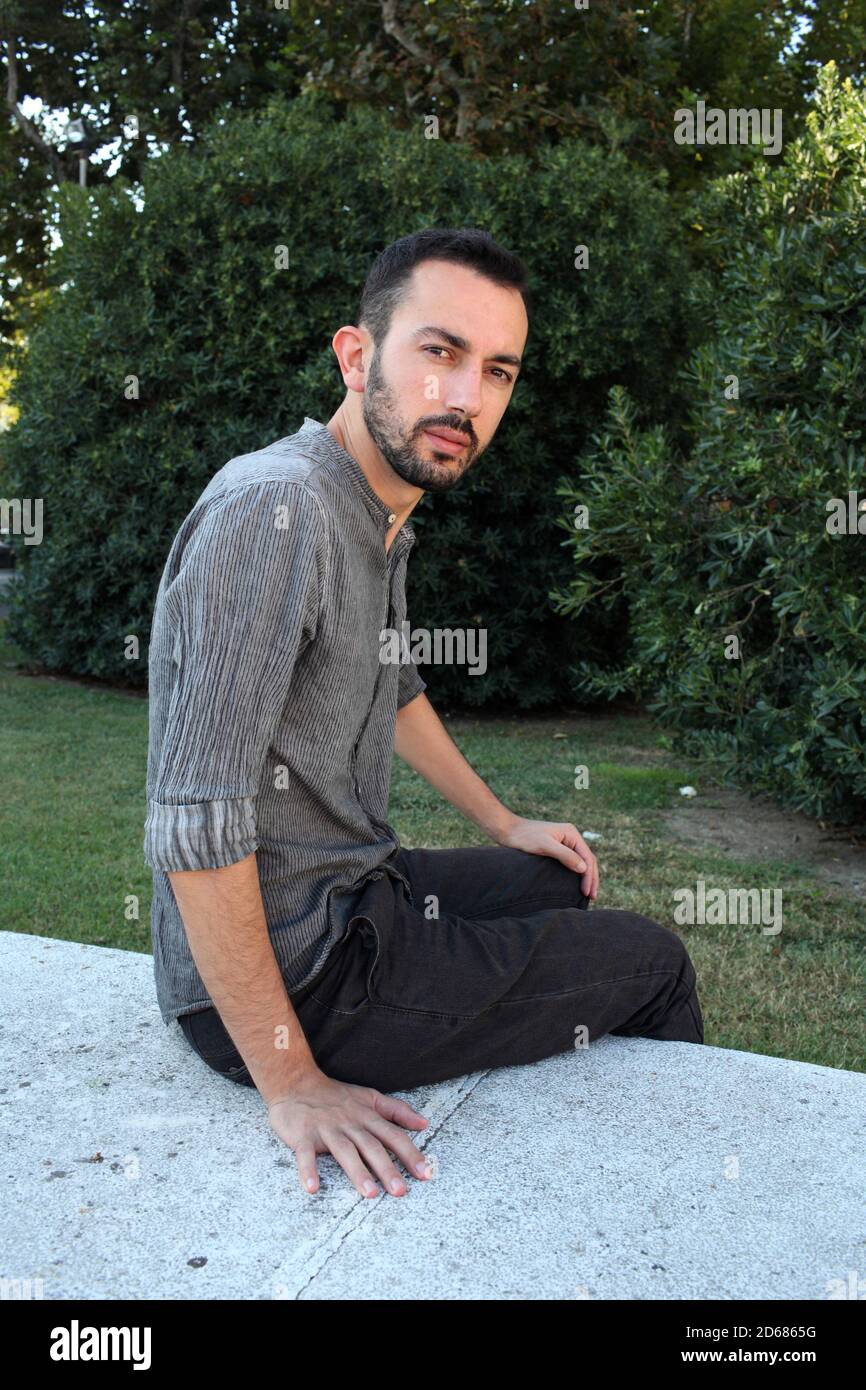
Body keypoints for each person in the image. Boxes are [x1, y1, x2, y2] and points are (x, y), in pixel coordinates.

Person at [144, 227, 704, 1203]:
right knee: (652, 961)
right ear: (356, 357)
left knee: (552, 881)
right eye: (438, 352)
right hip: (306, 976)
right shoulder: (276, 514)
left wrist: (506, 823)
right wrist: (293, 1081)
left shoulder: (378, 513)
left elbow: (396, 684)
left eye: (495, 370)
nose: (464, 397)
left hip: (357, 890)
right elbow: (194, 827)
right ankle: (667, 1218)